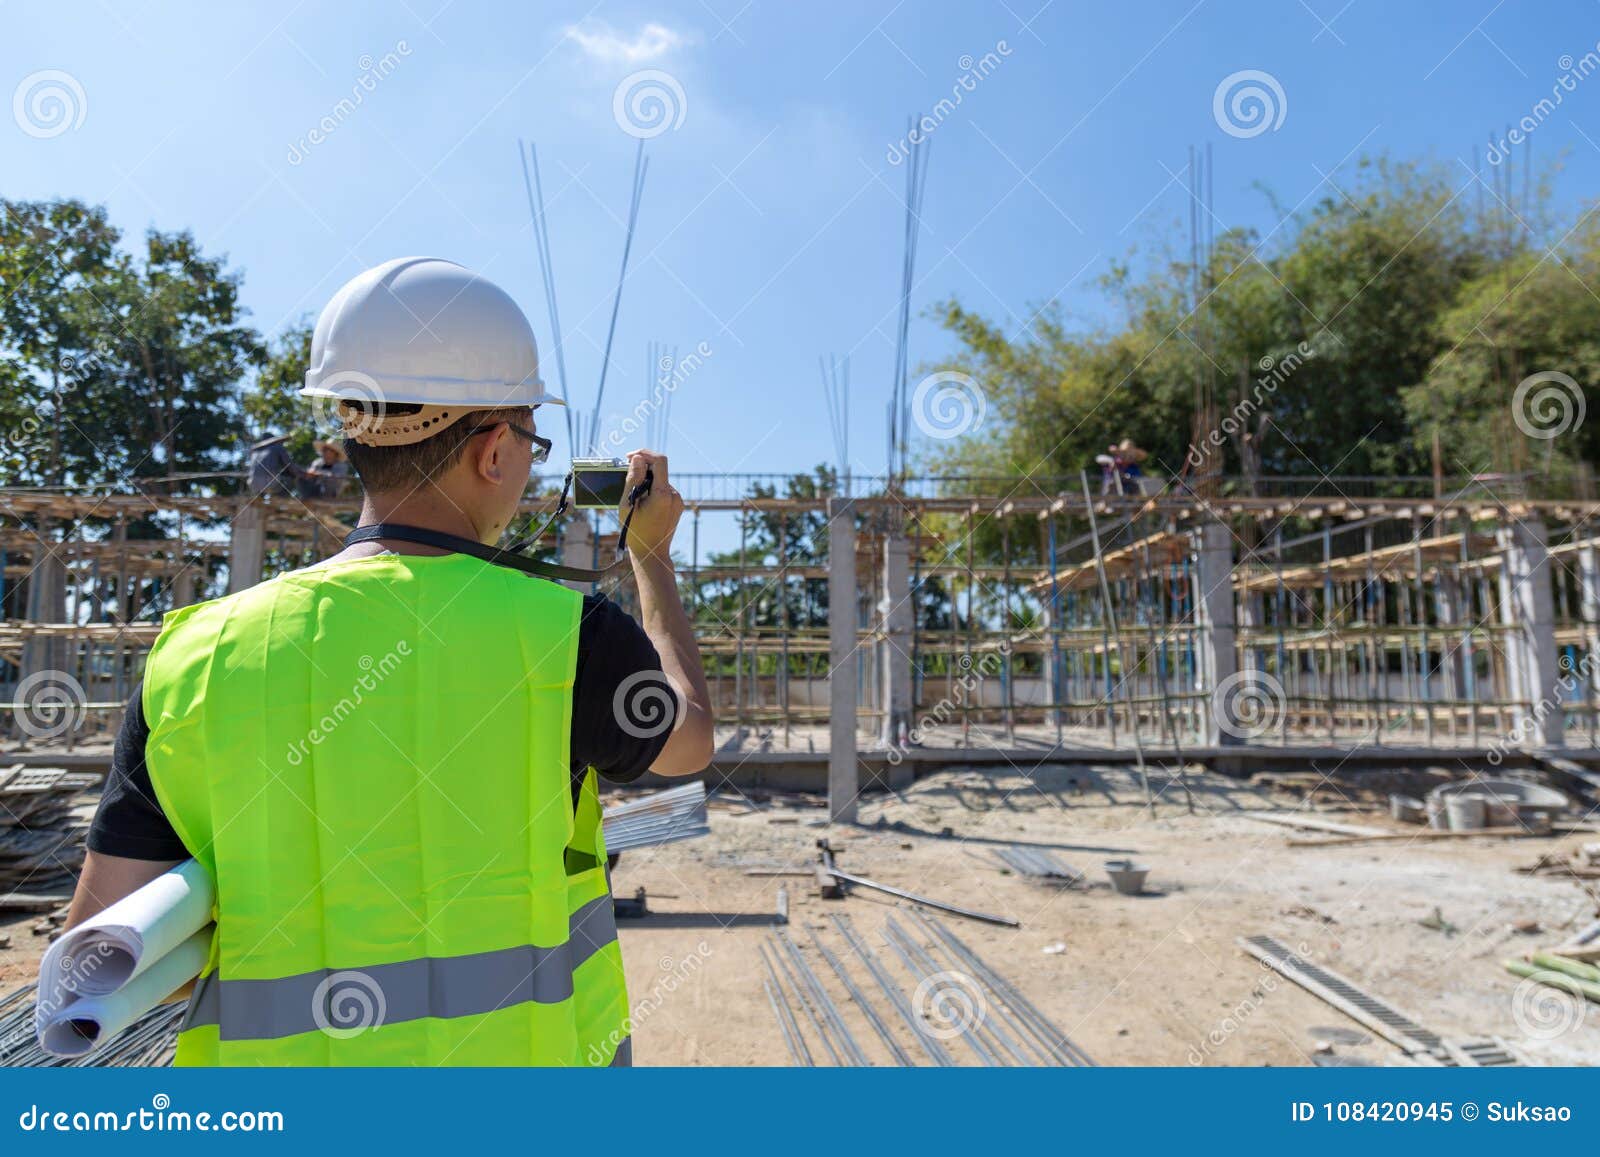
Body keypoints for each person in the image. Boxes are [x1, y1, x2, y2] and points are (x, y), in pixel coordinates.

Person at [64, 257, 714, 1066]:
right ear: (495, 451)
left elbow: (103, 959)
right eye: (531, 440)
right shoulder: (564, 633)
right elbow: (687, 738)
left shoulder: (197, 654)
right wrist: (651, 558)